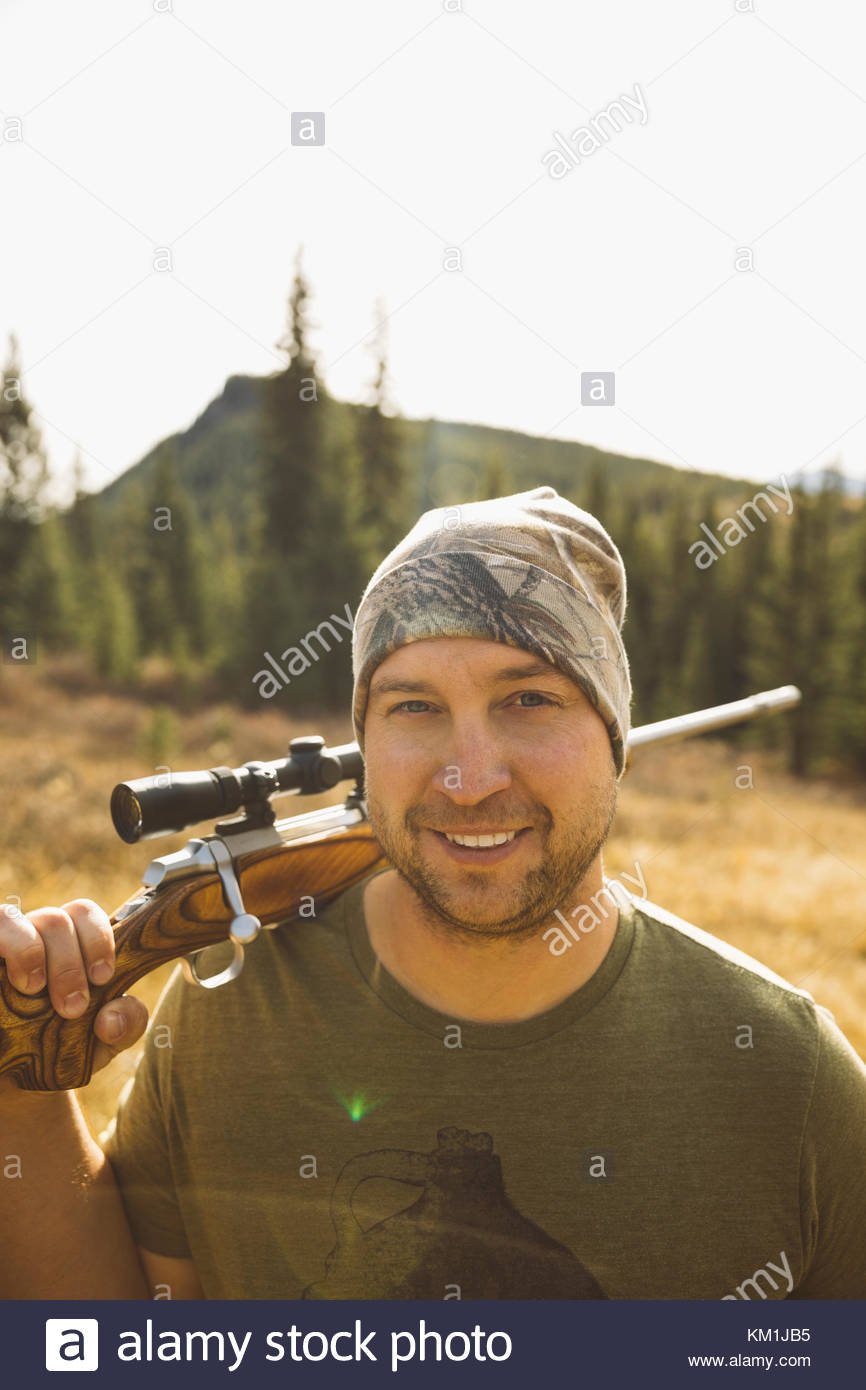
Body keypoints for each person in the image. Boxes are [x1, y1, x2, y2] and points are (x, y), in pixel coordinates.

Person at [2, 484, 865, 1300]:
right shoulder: (227, 1009)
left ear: (614, 740)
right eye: (413, 708)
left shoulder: (789, 1077)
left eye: (529, 697)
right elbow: (110, 1339)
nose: (469, 778)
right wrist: (24, 1093)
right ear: (364, 743)